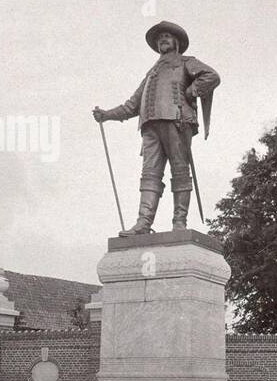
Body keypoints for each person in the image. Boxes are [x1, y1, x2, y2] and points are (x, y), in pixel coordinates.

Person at [93, 21, 221, 236]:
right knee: (149, 174)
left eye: (168, 36)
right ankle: (143, 223)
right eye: (160, 37)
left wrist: (190, 92)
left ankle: (179, 222)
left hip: (177, 121)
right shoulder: (151, 74)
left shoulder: (186, 62)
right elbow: (131, 105)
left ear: (177, 43)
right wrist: (106, 115)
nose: (163, 39)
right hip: (150, 127)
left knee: (180, 171)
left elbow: (212, 76)